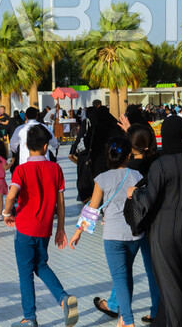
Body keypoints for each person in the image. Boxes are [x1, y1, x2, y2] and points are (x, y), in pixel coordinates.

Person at [128, 117, 182, 327]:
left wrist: (134, 194)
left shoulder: (161, 163)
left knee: (171, 289)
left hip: (166, 235)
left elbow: (148, 200)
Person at [3, 126, 79, 327]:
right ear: (46, 146)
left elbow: (11, 195)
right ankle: (63, 298)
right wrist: (61, 228)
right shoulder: (56, 169)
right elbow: (61, 203)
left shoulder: (21, 170)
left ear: (26, 146)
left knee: (25, 272)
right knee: (40, 264)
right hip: (45, 228)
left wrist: (6, 213)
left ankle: (29, 318)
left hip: (25, 228)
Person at [71, 137, 145, 327]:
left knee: (120, 277)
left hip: (112, 235)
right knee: (126, 275)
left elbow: (92, 208)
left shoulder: (102, 179)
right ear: (129, 156)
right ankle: (123, 318)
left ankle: (128, 320)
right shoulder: (137, 175)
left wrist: (78, 232)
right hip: (135, 234)